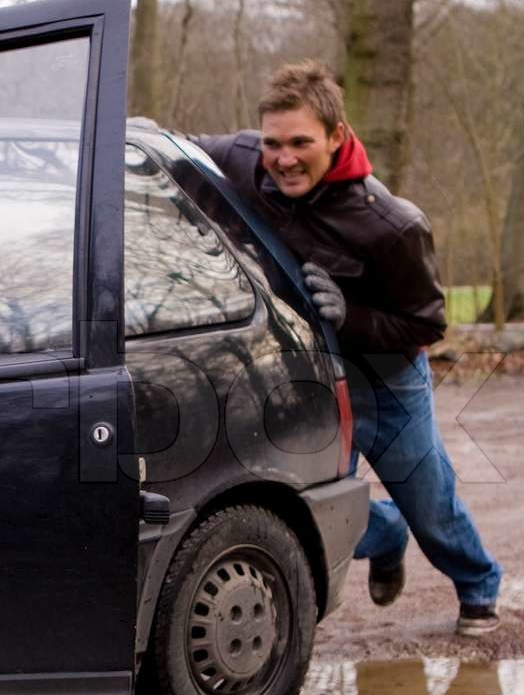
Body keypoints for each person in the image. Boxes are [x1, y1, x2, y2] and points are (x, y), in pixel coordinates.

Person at [192, 60, 504, 636]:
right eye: (274, 143)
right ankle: (383, 537)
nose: (284, 158)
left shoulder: (393, 224)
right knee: (309, 507)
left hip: (387, 383)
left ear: (337, 137)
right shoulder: (243, 159)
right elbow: (179, 151)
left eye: (300, 143)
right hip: (302, 381)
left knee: (431, 508)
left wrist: (352, 316)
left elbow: (428, 323)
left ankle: (479, 585)